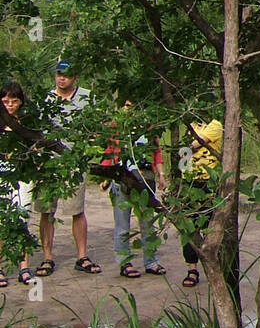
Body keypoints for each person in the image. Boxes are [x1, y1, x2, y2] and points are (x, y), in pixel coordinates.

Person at [33, 61, 101, 277]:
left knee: (76, 209)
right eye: (59, 74)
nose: (62, 78)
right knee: (46, 210)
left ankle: (81, 256)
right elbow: (36, 130)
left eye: (66, 75)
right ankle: (47, 257)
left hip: (74, 161)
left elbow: (96, 126)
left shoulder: (86, 97)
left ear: (75, 77)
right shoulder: (46, 99)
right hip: (48, 162)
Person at [98, 102, 167, 278]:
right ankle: (124, 262)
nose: (129, 109)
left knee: (147, 222)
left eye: (133, 105)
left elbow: (156, 152)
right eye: (126, 105)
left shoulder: (148, 126)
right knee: (122, 223)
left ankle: (151, 261)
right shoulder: (117, 127)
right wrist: (106, 176)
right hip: (123, 177)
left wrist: (161, 175)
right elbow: (110, 151)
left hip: (145, 176)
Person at [0, 81, 40, 286]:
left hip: (24, 176)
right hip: (2, 178)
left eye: (14, 101)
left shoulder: (28, 122)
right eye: (6, 101)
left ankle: (24, 267)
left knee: (23, 217)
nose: (10, 105)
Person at [179, 117, 223, 289]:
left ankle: (213, 265)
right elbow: (182, 153)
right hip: (189, 182)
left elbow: (195, 144)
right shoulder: (190, 126)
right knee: (189, 227)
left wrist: (189, 143)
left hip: (207, 182)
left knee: (209, 225)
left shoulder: (215, 125)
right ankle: (191, 269)